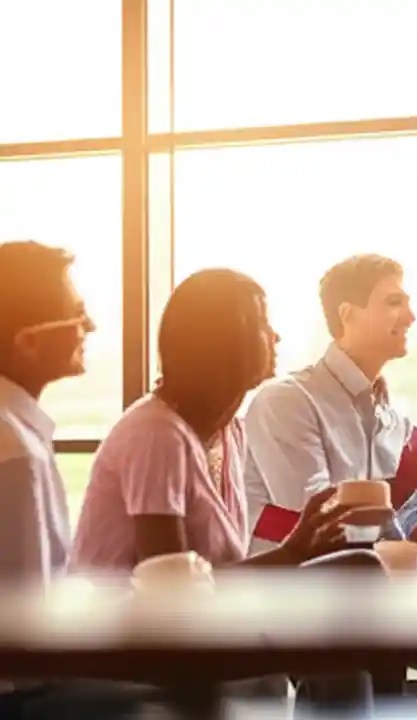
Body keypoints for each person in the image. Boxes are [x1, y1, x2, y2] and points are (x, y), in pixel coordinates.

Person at [69, 268, 381, 717]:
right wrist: (290, 556)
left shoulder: (228, 432)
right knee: (337, 619)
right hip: (135, 638)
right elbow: (172, 598)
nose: (275, 334)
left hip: (205, 614)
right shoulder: (156, 435)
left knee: (359, 569)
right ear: (221, 342)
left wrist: (294, 550)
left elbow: (216, 577)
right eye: (260, 322)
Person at [0, 240, 148, 719]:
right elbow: (27, 633)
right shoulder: (14, 449)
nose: (91, 327)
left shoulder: (19, 430)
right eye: (77, 316)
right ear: (28, 341)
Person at [242, 254, 417, 565]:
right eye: (394, 302)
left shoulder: (396, 421)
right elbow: (324, 523)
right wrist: (403, 483)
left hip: (368, 591)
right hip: (292, 598)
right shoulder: (286, 402)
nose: (411, 316)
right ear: (348, 314)